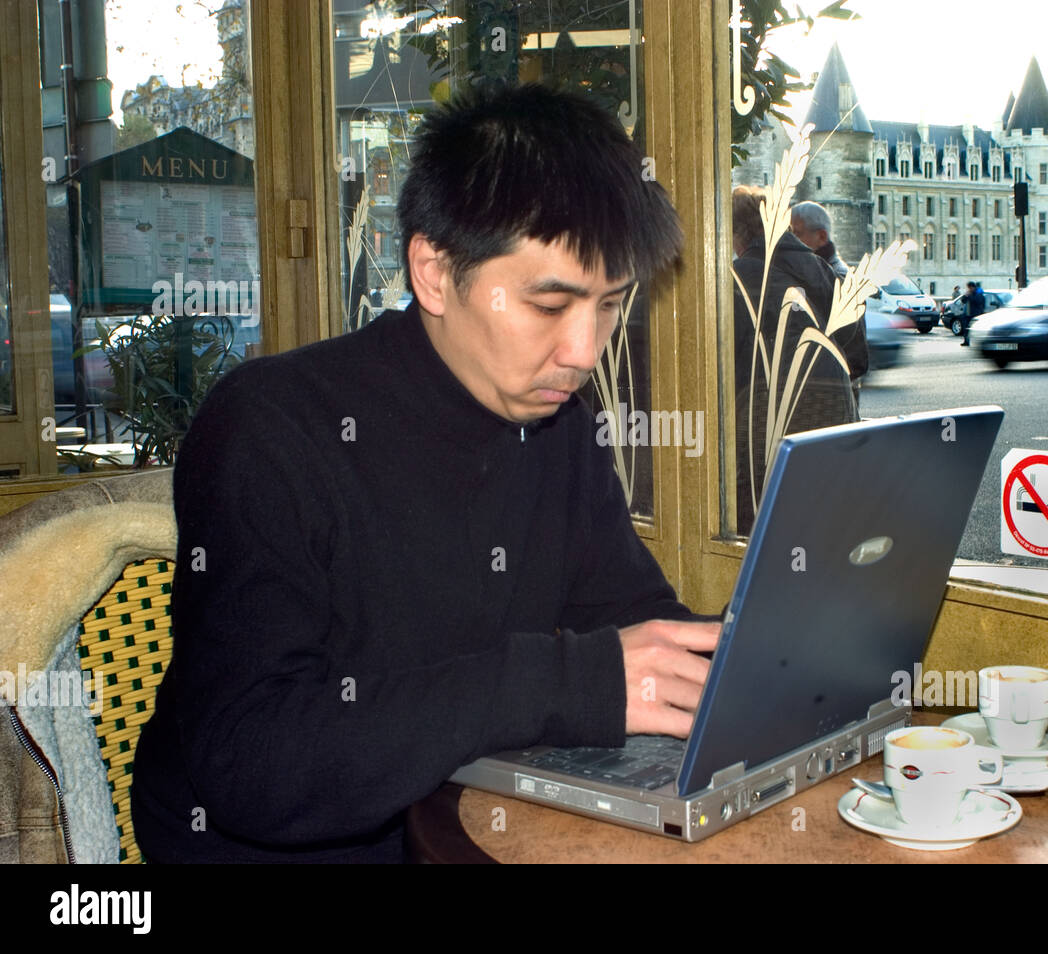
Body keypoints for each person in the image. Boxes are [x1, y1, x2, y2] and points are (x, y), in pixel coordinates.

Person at [130, 84, 721, 863]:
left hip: (469, 820)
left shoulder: (555, 427)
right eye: (550, 304)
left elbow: (628, 612)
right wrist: (565, 683)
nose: (584, 352)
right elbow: (253, 763)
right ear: (434, 273)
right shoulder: (269, 428)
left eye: (610, 305)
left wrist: (742, 665)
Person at [732, 188, 856, 532]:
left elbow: (723, 372)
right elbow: (856, 357)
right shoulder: (822, 269)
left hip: (760, 435)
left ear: (736, 235)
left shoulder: (734, 281)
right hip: (831, 430)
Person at [789, 200, 870, 387]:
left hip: (833, 389)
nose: (791, 241)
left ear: (822, 236)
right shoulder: (815, 274)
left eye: (797, 234)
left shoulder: (836, 279)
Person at [961, 280, 985, 346]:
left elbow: (977, 302)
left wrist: (970, 296)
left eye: (970, 288)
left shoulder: (978, 294)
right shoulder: (968, 293)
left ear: (973, 287)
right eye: (968, 288)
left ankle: (978, 343)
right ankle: (966, 341)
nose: (969, 289)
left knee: (976, 328)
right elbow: (963, 301)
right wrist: (965, 296)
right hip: (967, 313)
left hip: (975, 314)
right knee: (966, 328)